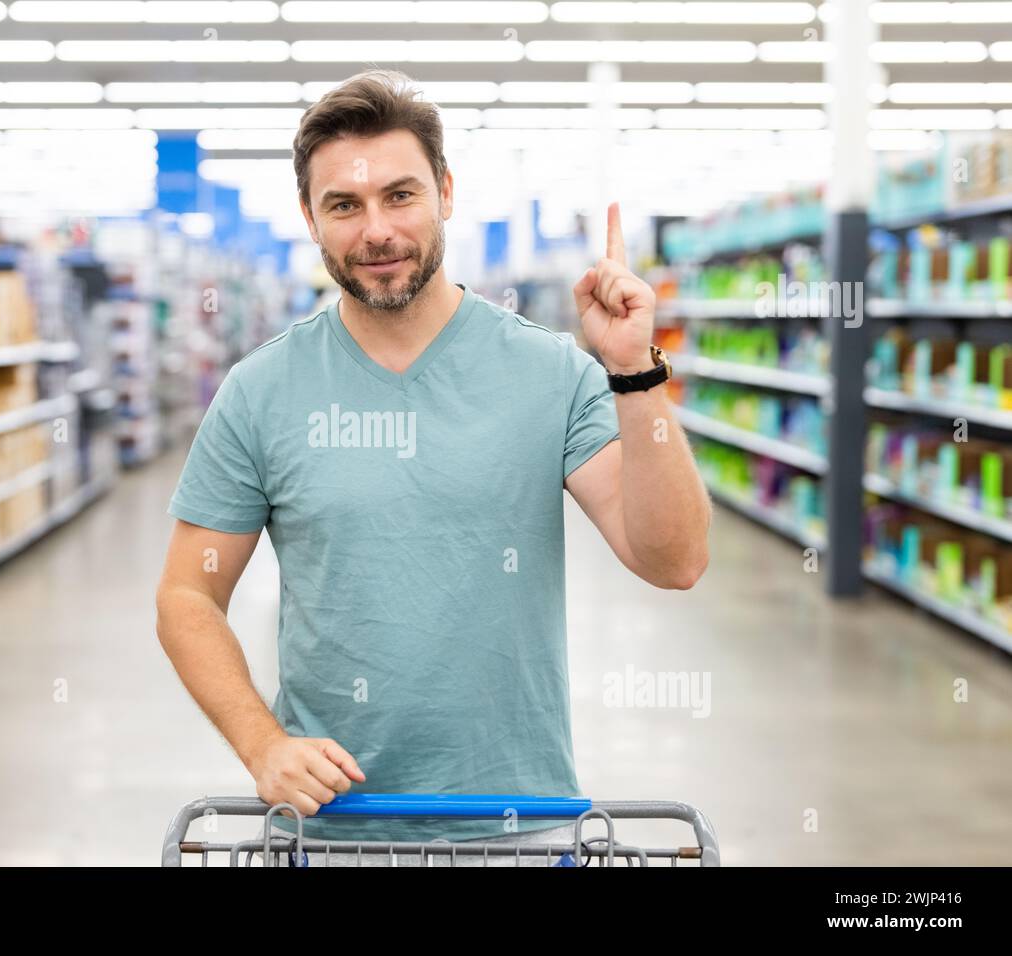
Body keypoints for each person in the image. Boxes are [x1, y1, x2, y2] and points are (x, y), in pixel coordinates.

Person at [154, 69, 712, 860]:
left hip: (521, 830)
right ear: (310, 218)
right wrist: (261, 743)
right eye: (343, 205)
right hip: (334, 833)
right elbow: (187, 594)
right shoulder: (261, 392)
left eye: (400, 195)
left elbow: (675, 559)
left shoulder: (550, 372)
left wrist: (635, 372)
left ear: (447, 192)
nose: (376, 230)